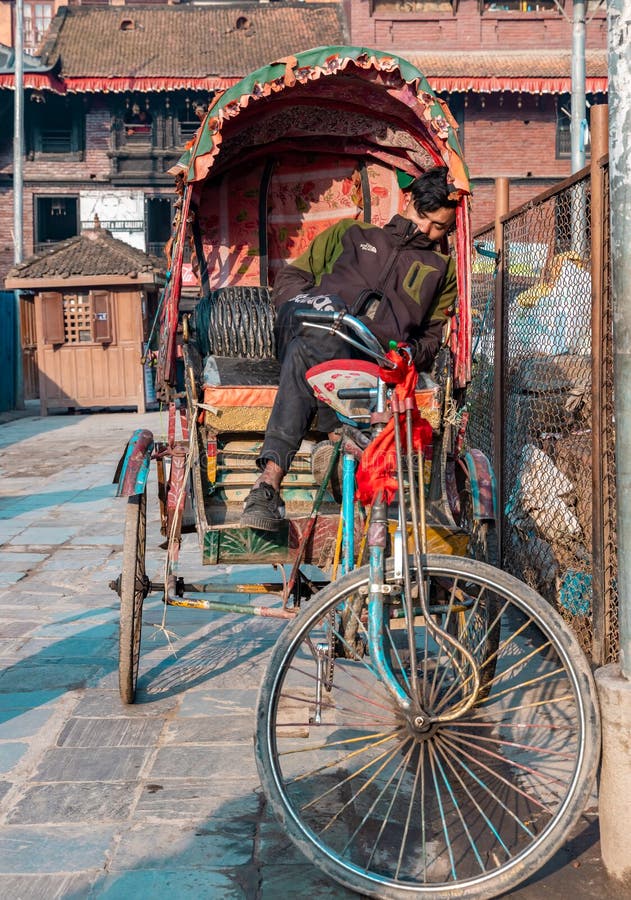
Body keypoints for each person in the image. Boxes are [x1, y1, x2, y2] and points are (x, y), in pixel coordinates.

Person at [240, 165, 459, 531]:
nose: (426, 231)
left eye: (440, 227)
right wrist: (313, 305)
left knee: (307, 350)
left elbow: (432, 337)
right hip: (312, 328)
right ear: (408, 201)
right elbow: (292, 278)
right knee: (312, 340)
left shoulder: (441, 269)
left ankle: (268, 483)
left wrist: (408, 353)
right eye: (424, 218)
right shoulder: (351, 233)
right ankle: (329, 440)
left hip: (372, 358)